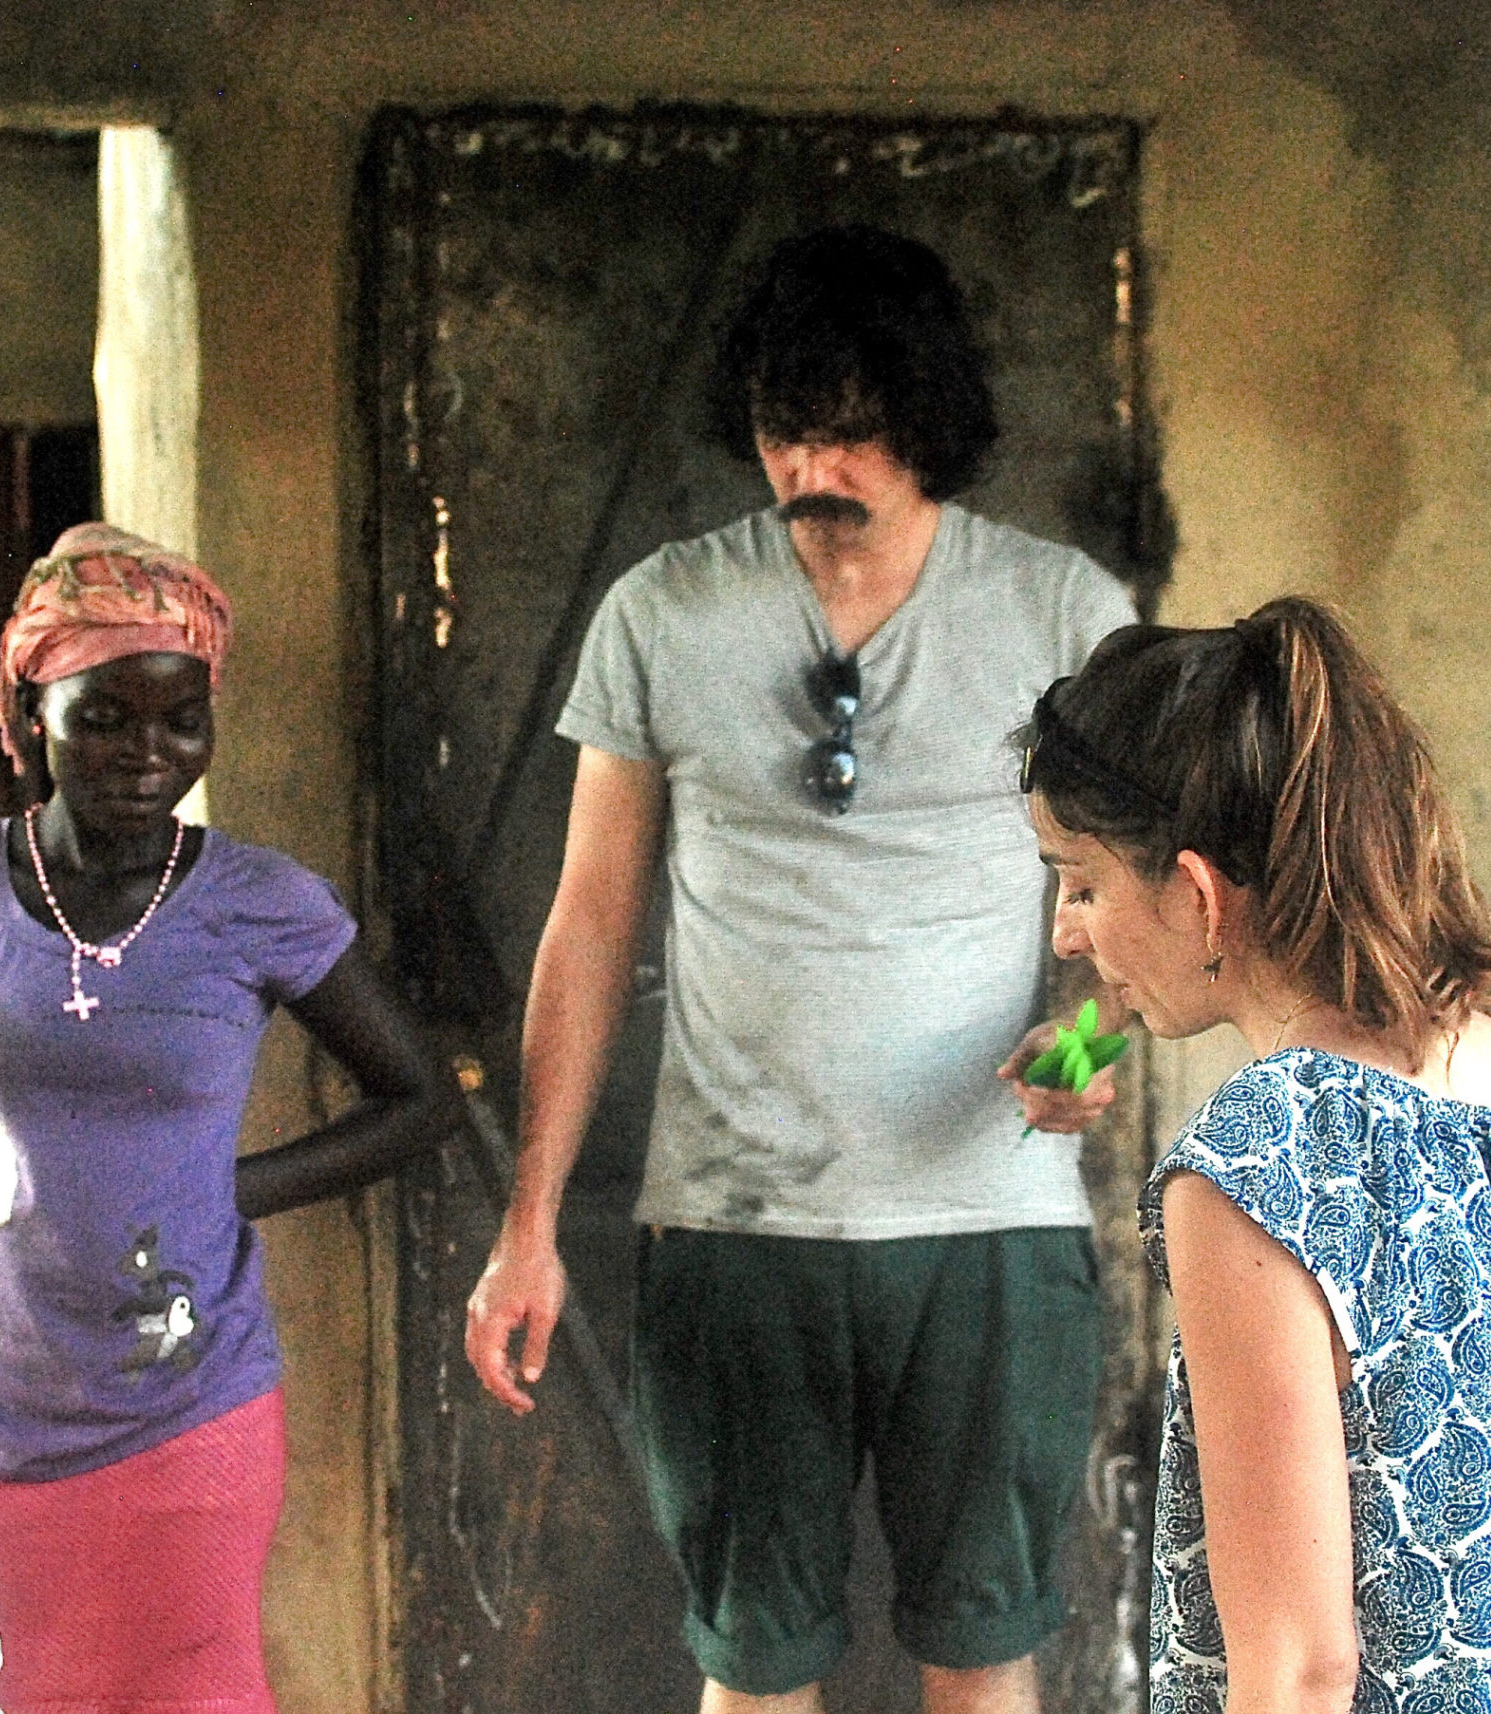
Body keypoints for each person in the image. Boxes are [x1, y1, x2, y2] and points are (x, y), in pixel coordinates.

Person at [464, 224, 1134, 1714]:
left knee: (982, 1653)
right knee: (754, 1667)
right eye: (787, 427)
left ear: (930, 426)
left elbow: (1140, 908)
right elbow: (589, 920)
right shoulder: (664, 611)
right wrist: (529, 1222)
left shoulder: (1065, 618)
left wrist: (1089, 1052)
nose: (816, 464)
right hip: (734, 1225)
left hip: (986, 1226)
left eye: (856, 428)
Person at [1020, 596, 1491, 1710]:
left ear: (1202, 893)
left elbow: (1302, 1674)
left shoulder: (1261, 1171)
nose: (1067, 931)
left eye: (1080, 883)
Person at [0, 522, 460, 1714]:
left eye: (183, 720)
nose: (149, 753)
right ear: (35, 711)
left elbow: (421, 1099)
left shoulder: (260, 905)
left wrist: (228, 1189)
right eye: (106, 718)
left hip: (188, 1417)